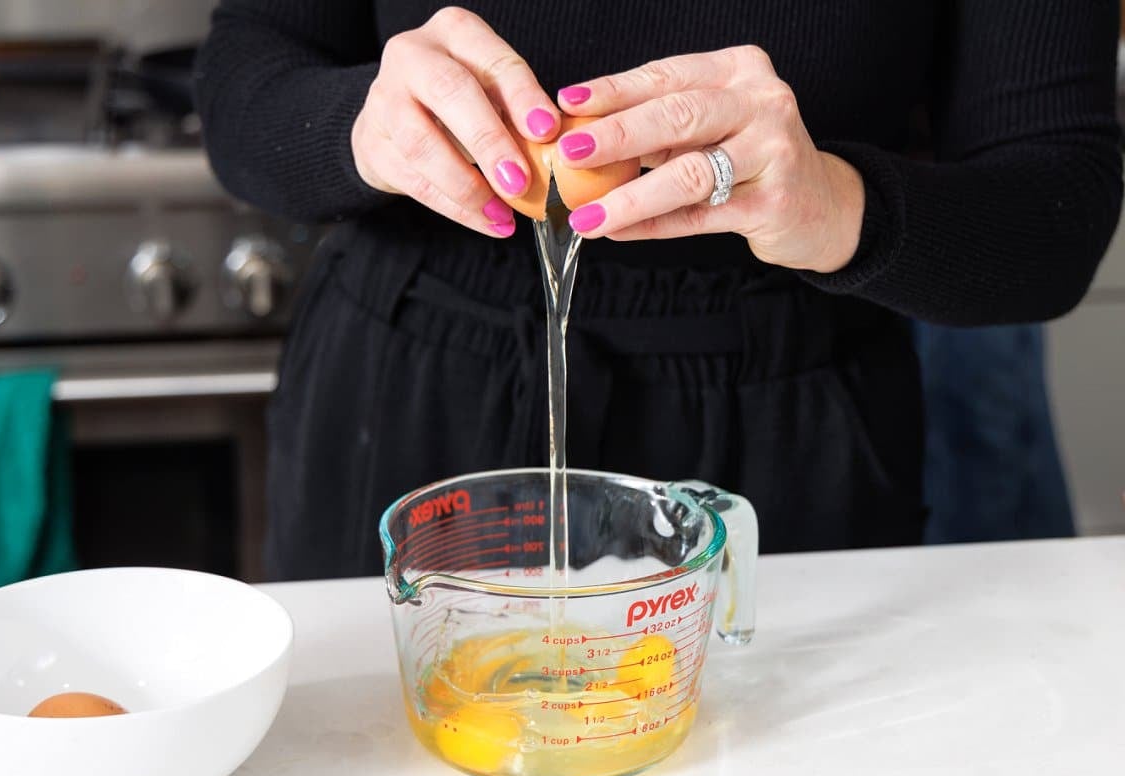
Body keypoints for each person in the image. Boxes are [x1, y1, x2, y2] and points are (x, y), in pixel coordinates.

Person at [194, 2, 1122, 580]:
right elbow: (245, 78)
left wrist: (838, 203)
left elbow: (1058, 213)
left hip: (789, 428)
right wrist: (362, 125)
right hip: (405, 398)